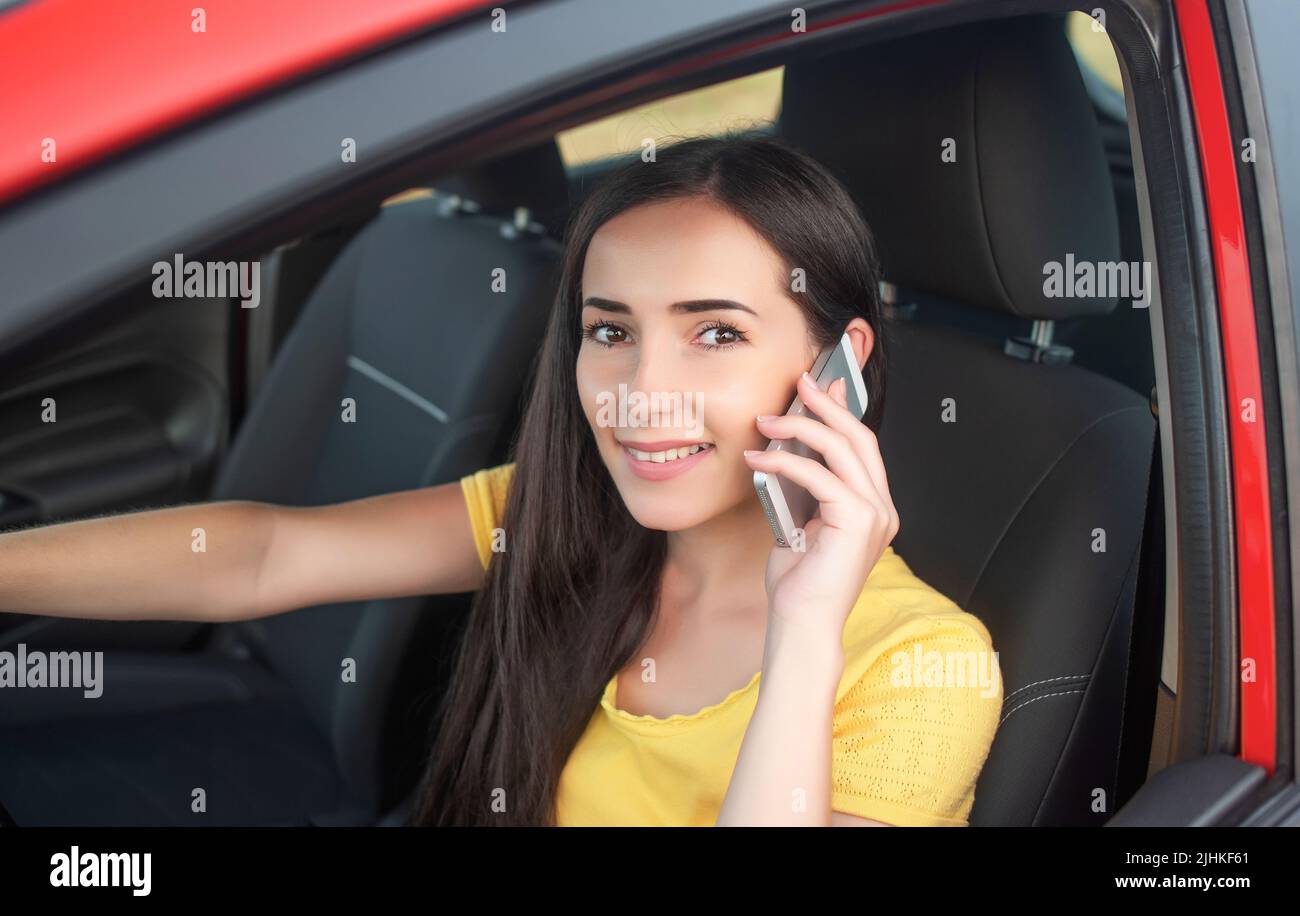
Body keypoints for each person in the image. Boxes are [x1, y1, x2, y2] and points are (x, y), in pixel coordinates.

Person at [0, 133, 1002, 827]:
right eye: (610, 331)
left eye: (715, 333)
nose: (640, 393)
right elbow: (266, 554)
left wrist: (806, 623)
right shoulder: (562, 514)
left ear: (842, 363)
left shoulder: (923, 665)